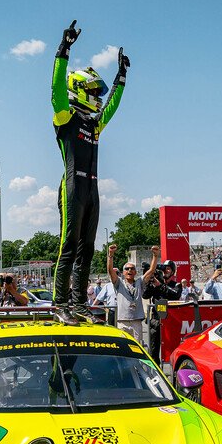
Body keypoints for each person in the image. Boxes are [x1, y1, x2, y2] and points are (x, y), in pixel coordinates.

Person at [51, 19, 129, 325]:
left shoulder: (94, 125)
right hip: (71, 187)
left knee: (88, 248)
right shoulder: (65, 117)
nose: (96, 97)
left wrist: (121, 77)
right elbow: (57, 88)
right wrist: (63, 50)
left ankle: (79, 303)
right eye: (92, 91)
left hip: (92, 190)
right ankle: (59, 304)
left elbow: (111, 107)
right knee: (68, 245)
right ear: (80, 89)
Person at [107, 244, 158, 341]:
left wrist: (155, 255)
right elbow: (110, 271)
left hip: (136, 321)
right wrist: (110, 255)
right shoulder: (119, 283)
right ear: (123, 272)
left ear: (135, 272)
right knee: (123, 347)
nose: (129, 270)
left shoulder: (140, 282)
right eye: (127, 269)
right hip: (122, 321)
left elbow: (151, 271)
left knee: (137, 347)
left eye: (132, 268)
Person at [145, 259, 183, 361]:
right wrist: (150, 281)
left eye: (168, 269)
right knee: (153, 350)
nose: (165, 271)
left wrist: (160, 285)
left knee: (172, 349)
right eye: (164, 269)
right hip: (156, 320)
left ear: (173, 271)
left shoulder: (177, 285)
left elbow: (175, 295)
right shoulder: (156, 282)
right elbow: (145, 295)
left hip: (171, 321)